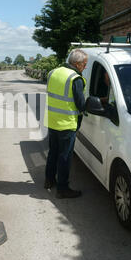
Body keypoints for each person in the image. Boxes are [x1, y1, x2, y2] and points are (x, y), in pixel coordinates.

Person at [44, 49, 88, 199]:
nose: (85, 67)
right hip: (67, 123)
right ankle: (63, 189)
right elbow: (81, 105)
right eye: (84, 64)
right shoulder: (75, 78)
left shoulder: (52, 72)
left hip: (52, 121)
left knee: (53, 152)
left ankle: (49, 180)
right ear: (77, 64)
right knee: (65, 157)